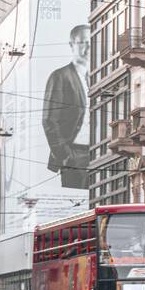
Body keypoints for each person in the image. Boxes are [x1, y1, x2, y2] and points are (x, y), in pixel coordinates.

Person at [42, 24, 91, 190]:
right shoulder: (60, 76)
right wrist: (65, 155)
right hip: (74, 154)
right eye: (83, 42)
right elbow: (49, 120)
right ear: (72, 45)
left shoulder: (99, 75)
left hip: (99, 153)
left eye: (91, 42)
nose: (88, 47)